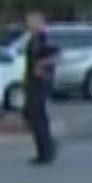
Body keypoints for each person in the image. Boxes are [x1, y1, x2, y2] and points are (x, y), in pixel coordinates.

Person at [19, 11, 60, 165]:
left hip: (40, 83)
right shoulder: (33, 39)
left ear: (40, 22)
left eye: (32, 21)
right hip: (31, 82)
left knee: (38, 117)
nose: (29, 24)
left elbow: (56, 55)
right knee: (29, 114)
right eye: (28, 21)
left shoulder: (43, 38)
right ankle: (46, 146)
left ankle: (46, 151)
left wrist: (41, 65)